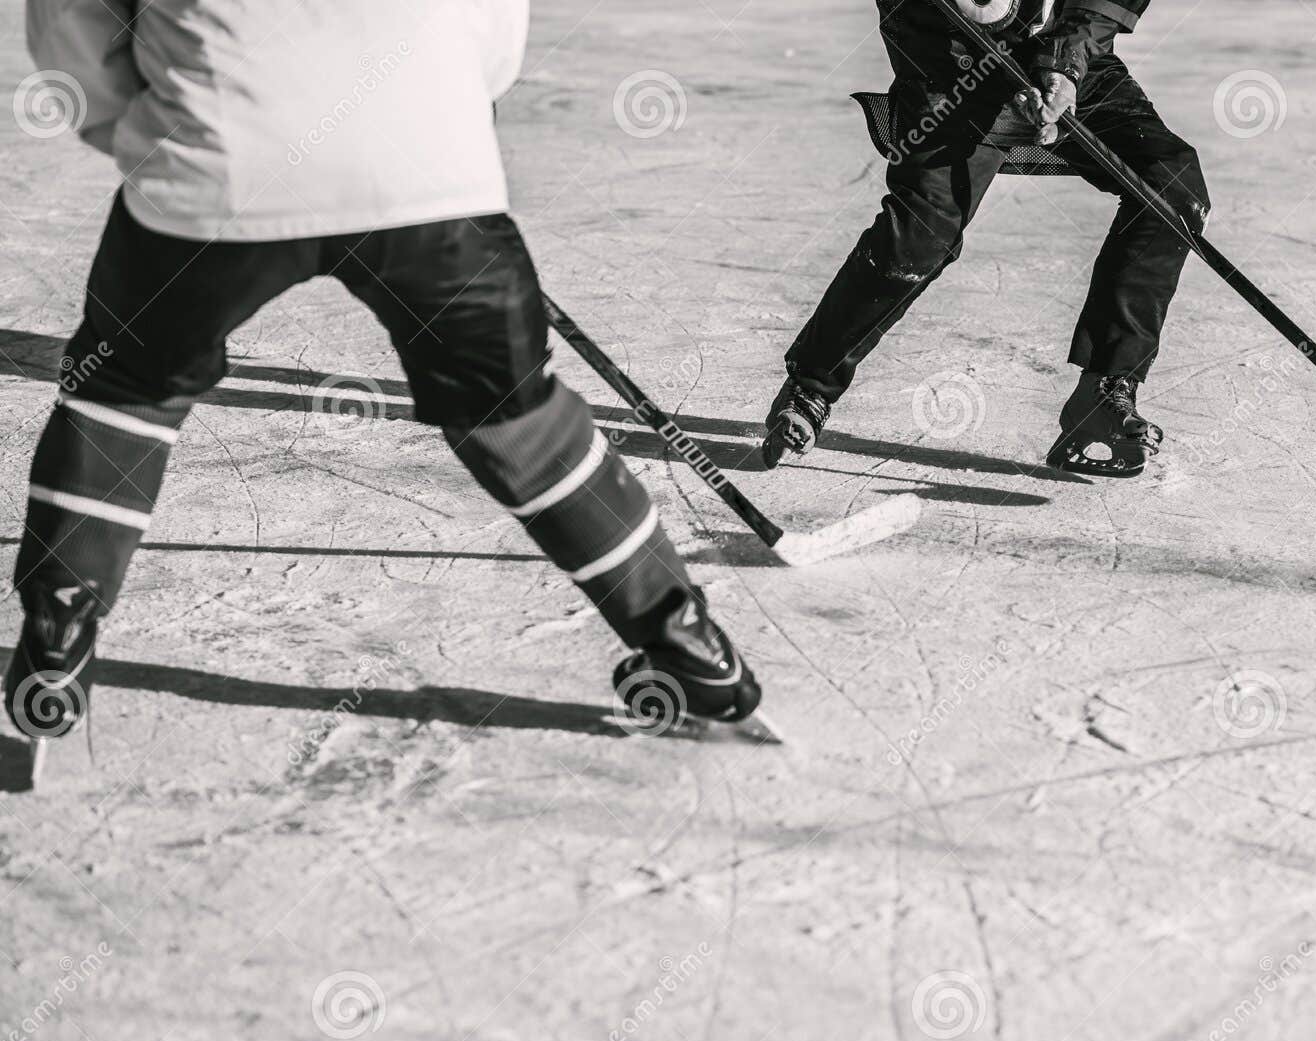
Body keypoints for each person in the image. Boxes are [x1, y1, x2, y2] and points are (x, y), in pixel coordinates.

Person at [9, 0, 760, 760]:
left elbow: (75, 23)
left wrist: (143, 131)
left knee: (125, 388)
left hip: (220, 161)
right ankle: (684, 642)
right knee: (513, 411)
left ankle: (59, 625)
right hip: (427, 169)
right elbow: (492, 32)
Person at [761, 0, 1209, 479]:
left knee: (1171, 194)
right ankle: (811, 385)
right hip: (952, 67)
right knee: (922, 235)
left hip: (1062, 49)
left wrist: (1065, 64)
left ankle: (1103, 394)